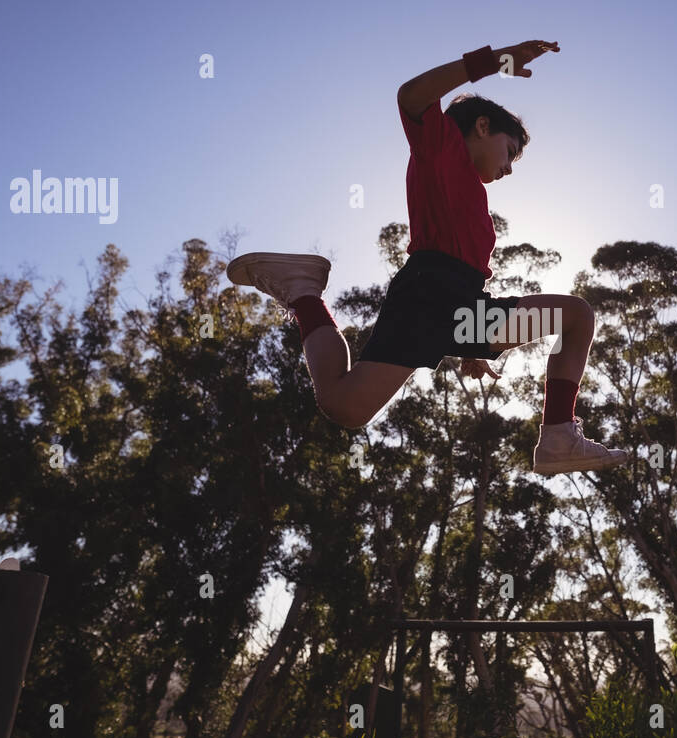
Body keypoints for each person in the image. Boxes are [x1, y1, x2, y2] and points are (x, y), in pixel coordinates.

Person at [227, 40, 627, 475]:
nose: (510, 167)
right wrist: (492, 62)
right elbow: (410, 96)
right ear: (480, 127)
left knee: (345, 407)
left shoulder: (470, 192)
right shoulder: (441, 147)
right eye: (509, 151)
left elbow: (466, 274)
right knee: (576, 316)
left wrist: (475, 341)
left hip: (454, 309)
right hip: (428, 294)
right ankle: (558, 437)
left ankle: (304, 293)